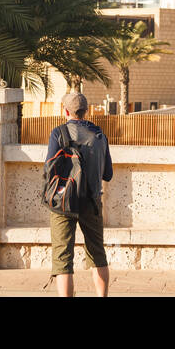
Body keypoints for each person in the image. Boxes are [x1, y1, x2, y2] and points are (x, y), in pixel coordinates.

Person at [47, 91, 113, 297]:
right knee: (97, 254)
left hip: (63, 202)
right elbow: (108, 174)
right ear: (86, 111)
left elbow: (49, 167)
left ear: (65, 111)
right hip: (92, 201)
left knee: (62, 259)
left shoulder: (58, 133)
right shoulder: (99, 135)